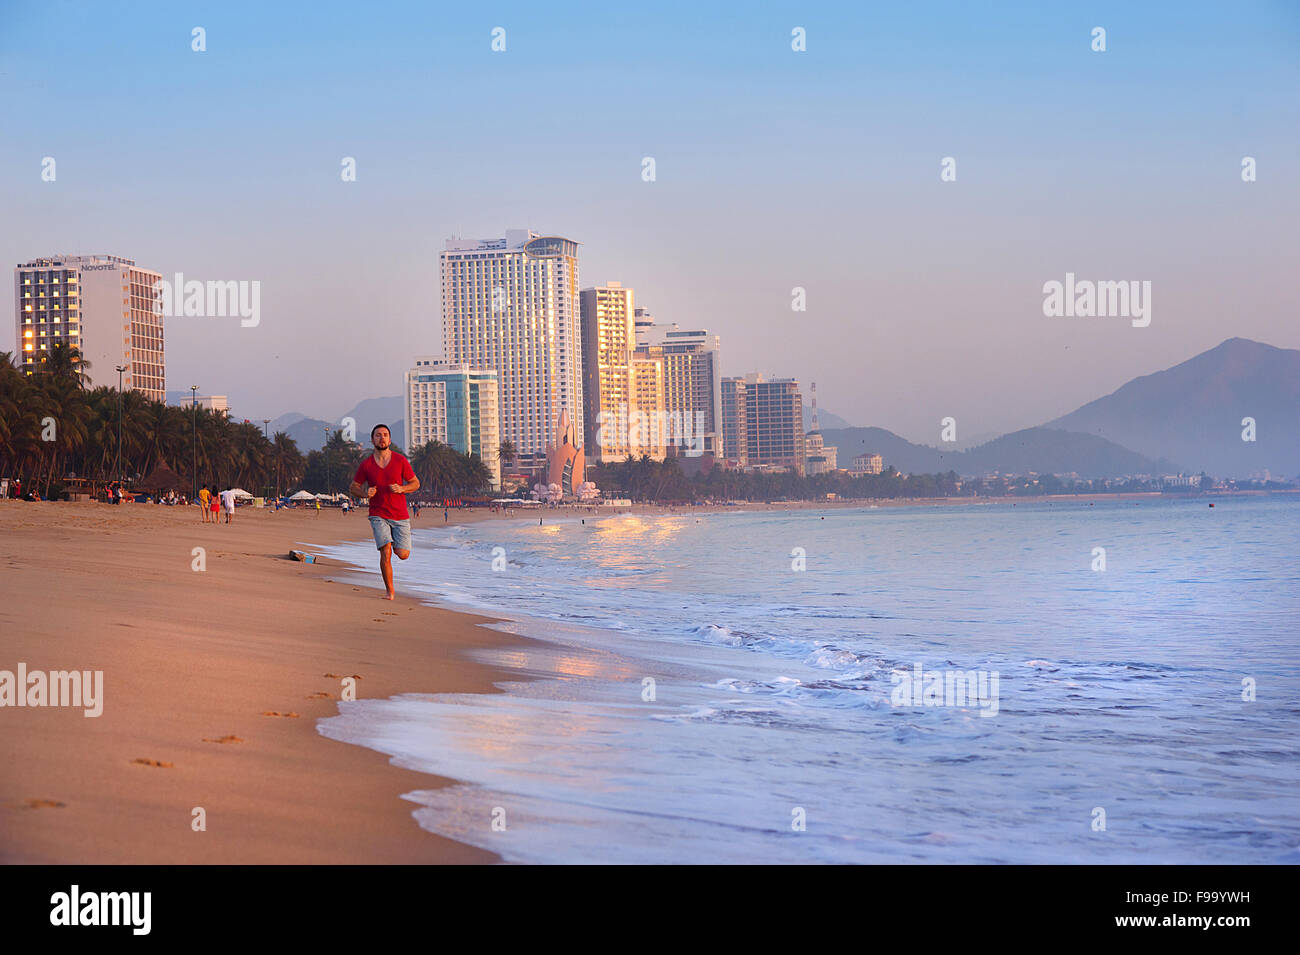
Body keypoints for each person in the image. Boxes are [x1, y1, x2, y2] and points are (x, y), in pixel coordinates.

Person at [349, 423, 420, 600]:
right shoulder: (366, 465)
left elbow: (415, 483)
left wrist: (402, 489)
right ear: (372, 440)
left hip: (400, 514)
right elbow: (353, 487)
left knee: (403, 554)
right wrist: (365, 494)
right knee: (385, 550)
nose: (382, 438)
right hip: (378, 513)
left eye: (385, 435)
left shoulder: (400, 460)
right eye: (378, 435)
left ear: (390, 439)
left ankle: (395, 543)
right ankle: (390, 591)